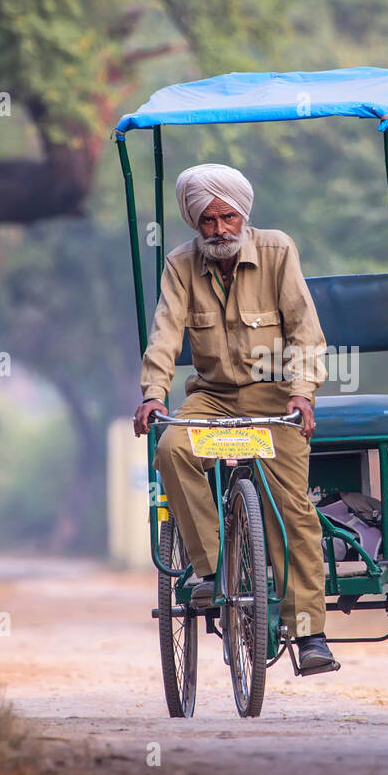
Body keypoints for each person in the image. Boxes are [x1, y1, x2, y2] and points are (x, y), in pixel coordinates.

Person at [132, 163, 337, 672]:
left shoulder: (277, 250)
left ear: (244, 215)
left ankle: (310, 634)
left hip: (274, 402)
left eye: (228, 218)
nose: (219, 230)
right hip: (214, 399)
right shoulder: (180, 266)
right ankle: (214, 570)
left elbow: (305, 333)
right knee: (172, 449)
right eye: (207, 220)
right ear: (193, 222)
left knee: (292, 508)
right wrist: (153, 394)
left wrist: (303, 394)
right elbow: (163, 336)